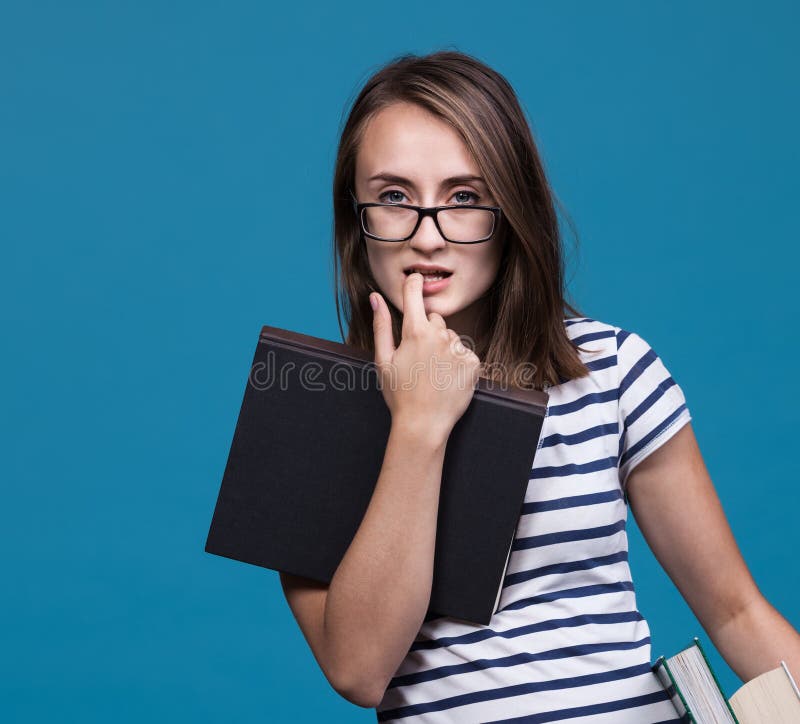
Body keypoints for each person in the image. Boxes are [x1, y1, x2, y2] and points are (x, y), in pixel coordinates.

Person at [279, 50, 800, 723]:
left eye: (463, 197)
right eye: (395, 197)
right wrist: (419, 424)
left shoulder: (614, 371)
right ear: (358, 221)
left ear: (512, 207)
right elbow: (359, 670)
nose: (428, 235)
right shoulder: (306, 414)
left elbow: (736, 611)